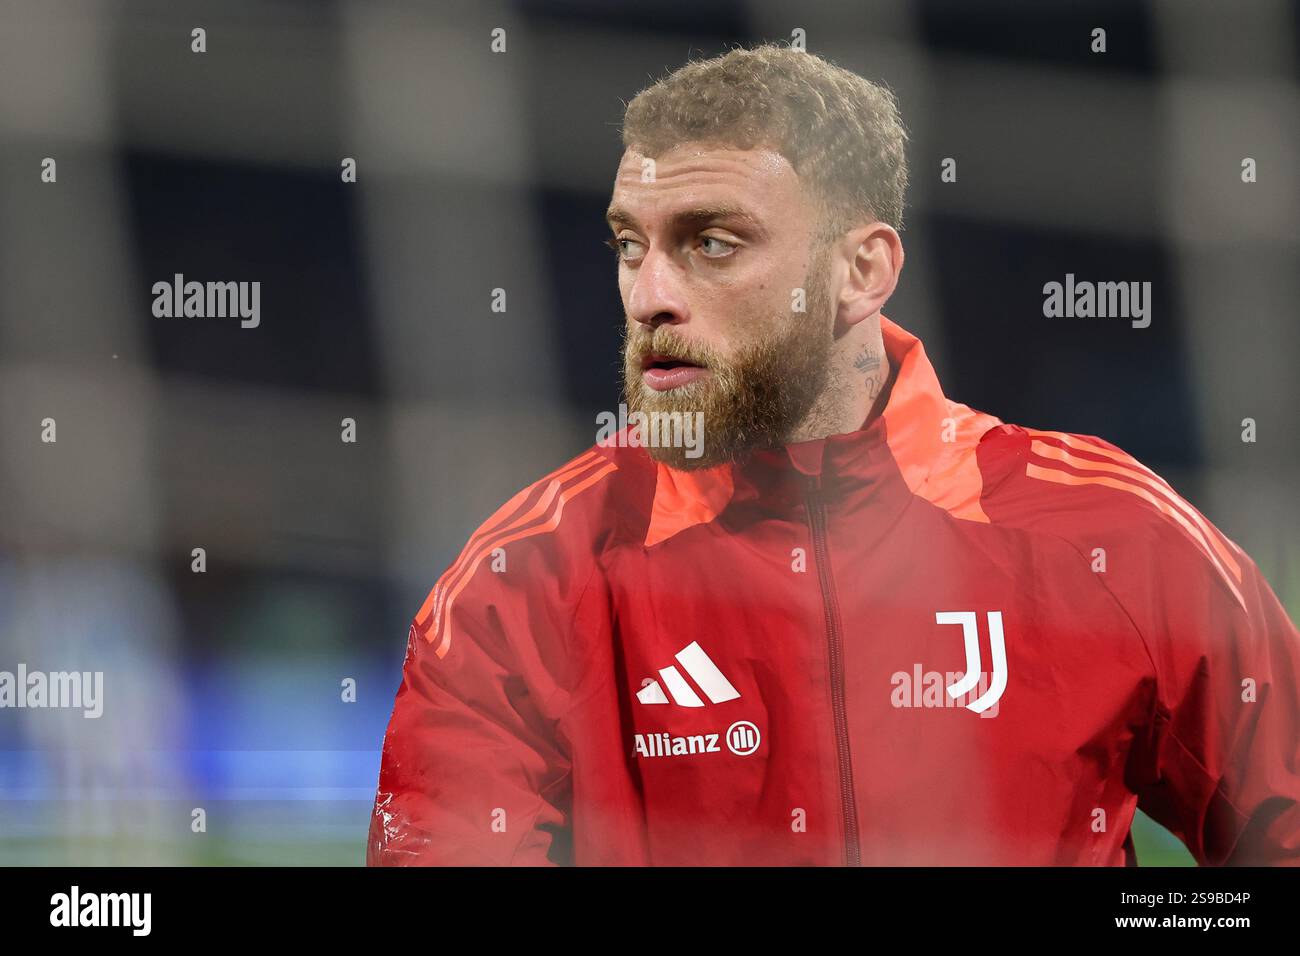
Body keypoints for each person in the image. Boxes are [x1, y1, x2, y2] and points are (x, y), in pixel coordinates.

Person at [367, 43, 1299, 866]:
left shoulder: (1111, 534)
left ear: (863, 272)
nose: (648, 294)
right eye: (628, 245)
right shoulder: (521, 582)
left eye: (712, 243)